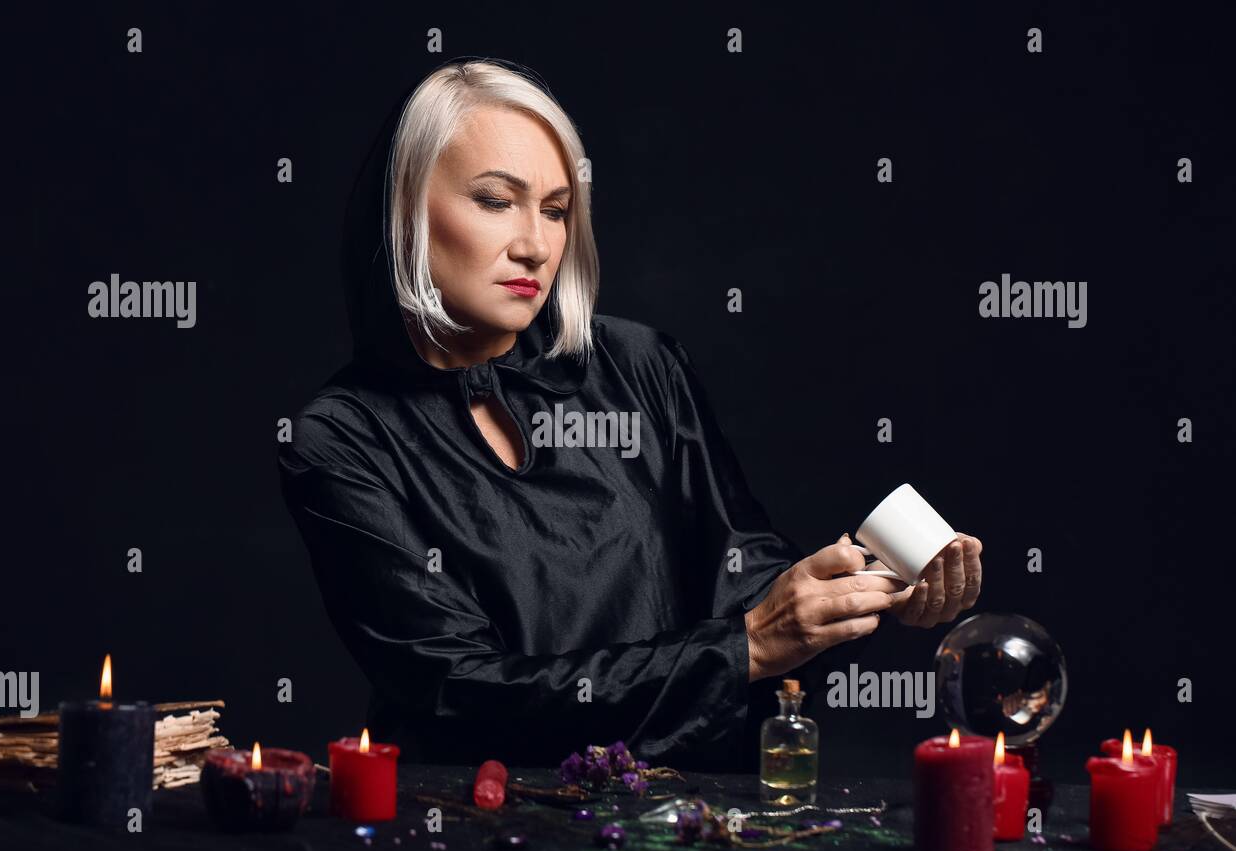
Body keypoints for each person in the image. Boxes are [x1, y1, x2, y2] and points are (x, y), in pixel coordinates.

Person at [277, 57, 983, 772]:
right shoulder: (341, 440)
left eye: (555, 210)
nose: (535, 244)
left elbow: (743, 581)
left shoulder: (640, 364)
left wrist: (861, 588)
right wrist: (748, 646)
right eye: (496, 201)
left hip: (682, 815)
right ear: (403, 210)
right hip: (480, 828)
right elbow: (458, 692)